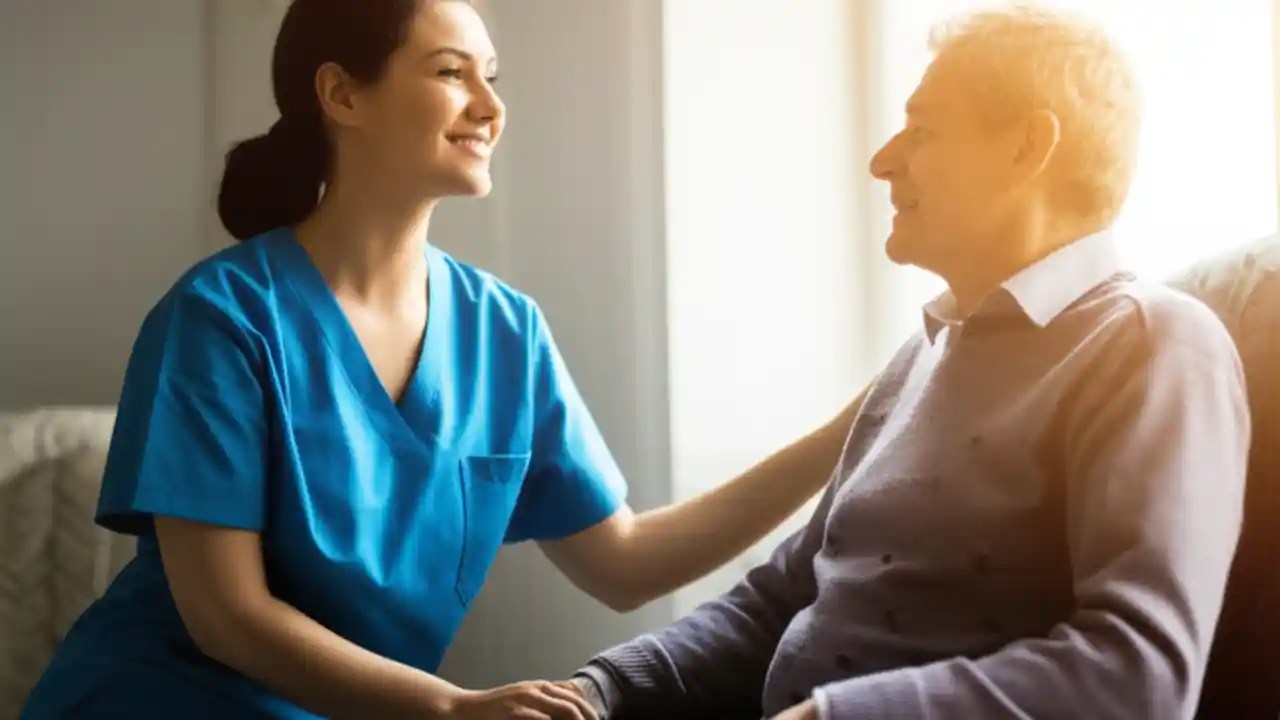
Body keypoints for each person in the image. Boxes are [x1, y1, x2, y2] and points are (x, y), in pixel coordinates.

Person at [18, 1, 864, 718]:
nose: (490, 106)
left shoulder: (505, 331)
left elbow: (626, 561)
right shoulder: (222, 318)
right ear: (342, 94)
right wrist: (451, 708)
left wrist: (854, 429)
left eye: (492, 76)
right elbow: (227, 618)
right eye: (452, 73)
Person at [567, 7, 1251, 719]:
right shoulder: (921, 357)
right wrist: (599, 690)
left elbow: (1137, 675)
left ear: (1027, 147)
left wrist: (832, 716)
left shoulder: (1152, 343)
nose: (883, 162)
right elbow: (782, 600)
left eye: (922, 130)